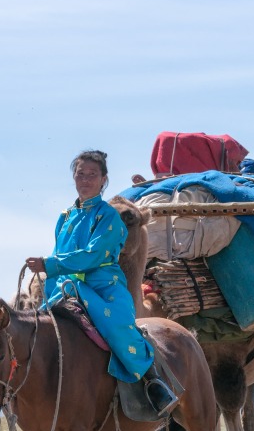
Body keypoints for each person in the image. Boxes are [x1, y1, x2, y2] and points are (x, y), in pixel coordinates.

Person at [25, 150, 178, 417]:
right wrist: (50, 271)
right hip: (65, 286)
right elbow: (61, 250)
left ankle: (153, 382)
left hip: (103, 286)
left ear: (103, 180)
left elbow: (95, 255)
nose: (85, 180)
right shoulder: (65, 217)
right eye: (80, 174)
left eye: (92, 175)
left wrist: (49, 264)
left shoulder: (109, 217)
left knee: (117, 328)